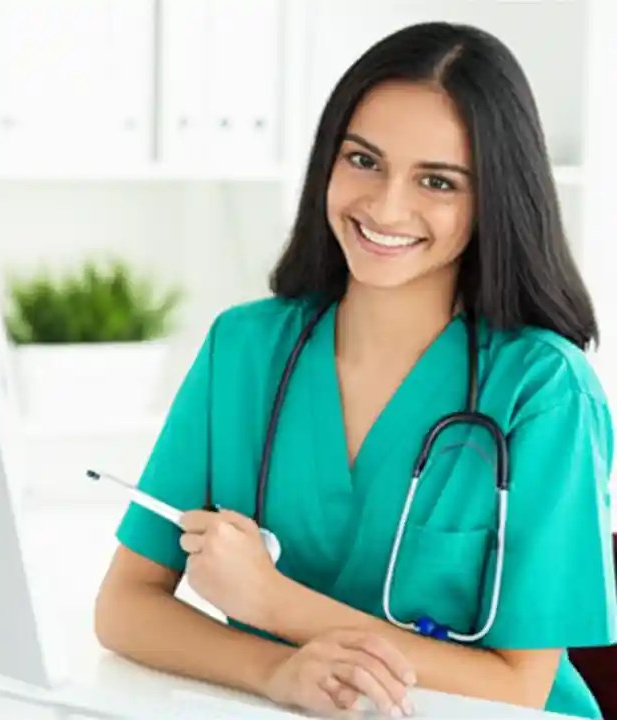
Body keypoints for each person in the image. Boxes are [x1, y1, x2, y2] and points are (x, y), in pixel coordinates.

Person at [95, 21, 616, 719]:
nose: (385, 206)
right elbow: (125, 607)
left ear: (494, 198)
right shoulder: (243, 350)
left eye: (437, 181)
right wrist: (277, 671)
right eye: (364, 161)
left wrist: (273, 602)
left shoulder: (543, 391)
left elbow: (516, 684)